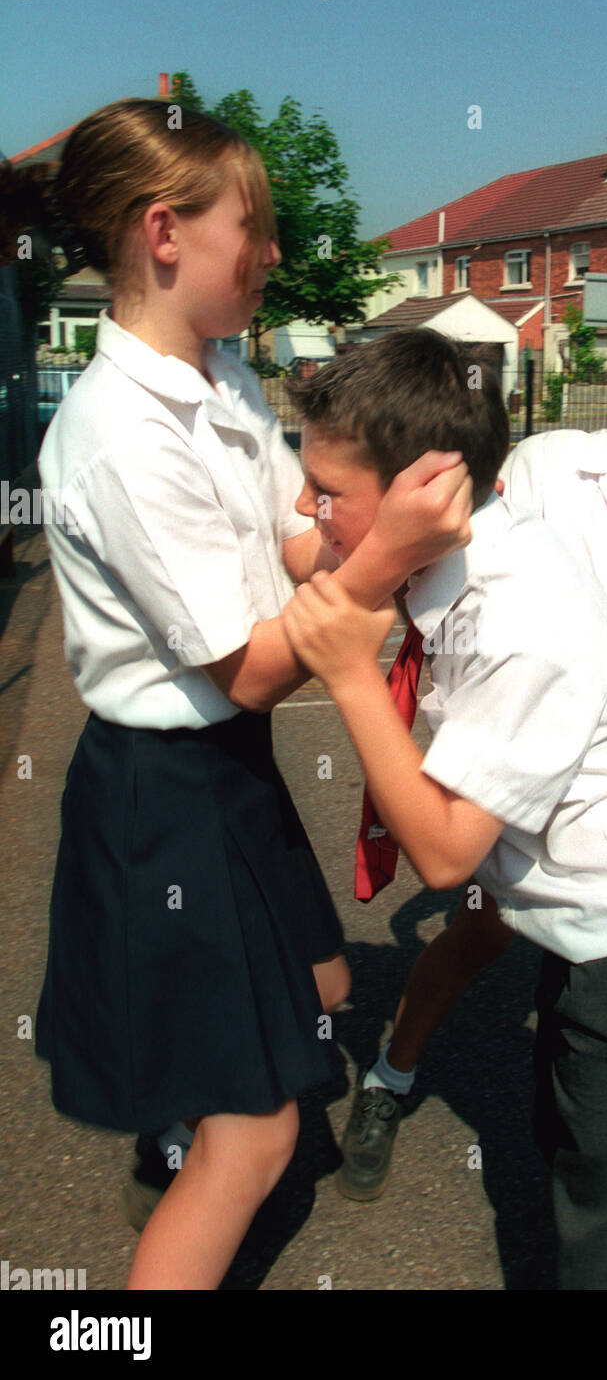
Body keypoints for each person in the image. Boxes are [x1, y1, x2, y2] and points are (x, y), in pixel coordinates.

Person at [5, 99, 471, 1290]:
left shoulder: (219, 374)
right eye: (251, 227)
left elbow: (294, 538)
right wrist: (379, 558)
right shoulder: (122, 436)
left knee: (319, 983)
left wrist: (407, 547)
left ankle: (178, 1136)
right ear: (165, 233)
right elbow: (256, 664)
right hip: (165, 787)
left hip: (228, 768)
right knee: (259, 1132)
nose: (271, 252)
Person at [281, 327, 607, 1288]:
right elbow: (309, 562)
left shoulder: (519, 620)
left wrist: (350, 675)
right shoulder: (474, 541)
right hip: (604, 937)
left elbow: (444, 855)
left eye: (325, 494)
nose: (304, 510)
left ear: (424, 493)